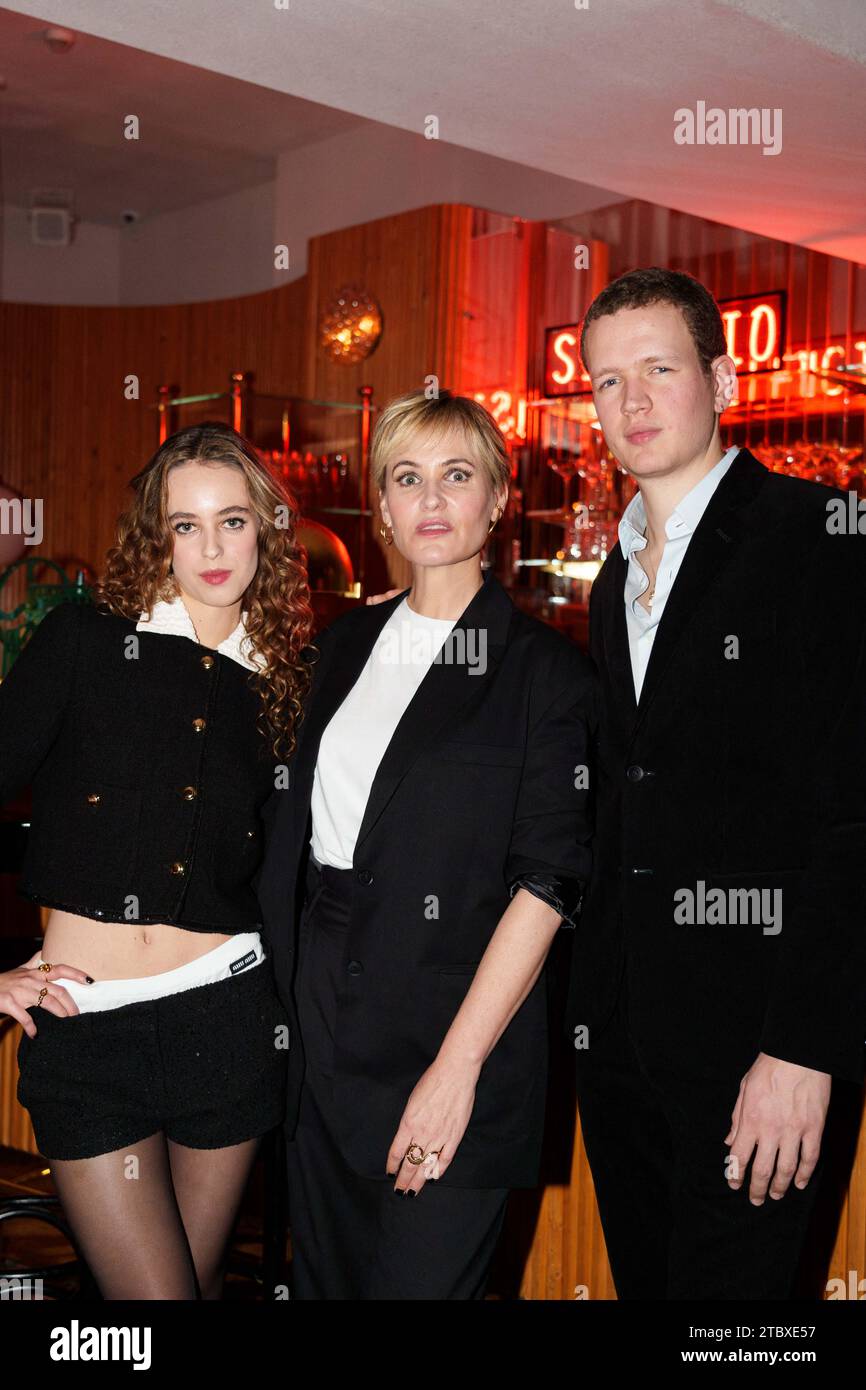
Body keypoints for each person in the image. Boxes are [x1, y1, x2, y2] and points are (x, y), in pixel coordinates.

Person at [565, 266, 866, 1300]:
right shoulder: (613, 578)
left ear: (722, 379)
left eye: (657, 370)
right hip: (622, 1049)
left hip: (759, 1050)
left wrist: (802, 1048)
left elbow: (852, 818)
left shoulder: (819, 541)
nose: (631, 402)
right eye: (606, 382)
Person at [256, 389, 594, 1299]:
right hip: (321, 1029)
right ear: (383, 509)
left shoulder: (545, 671)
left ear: (497, 501)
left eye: (457, 476)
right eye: (408, 478)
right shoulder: (342, 644)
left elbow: (549, 883)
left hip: (457, 1032)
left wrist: (455, 1071)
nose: (432, 499)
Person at [0, 422, 313, 1299]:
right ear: (156, 534)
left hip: (229, 1027)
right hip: (87, 1033)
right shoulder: (84, 644)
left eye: (233, 521)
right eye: (185, 525)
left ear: (267, 530)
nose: (211, 548)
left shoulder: (290, 684)